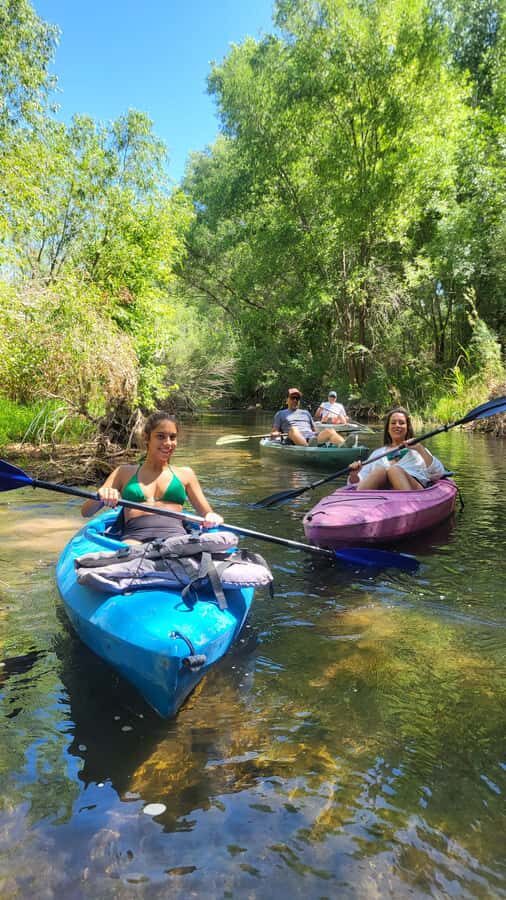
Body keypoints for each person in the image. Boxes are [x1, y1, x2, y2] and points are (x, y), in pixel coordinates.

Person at [81, 412, 224, 542]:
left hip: (176, 537)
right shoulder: (123, 472)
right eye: (160, 436)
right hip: (135, 537)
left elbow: (208, 513)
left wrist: (211, 517)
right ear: (146, 437)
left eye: (172, 437)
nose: (168, 443)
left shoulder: (186, 474)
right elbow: (86, 512)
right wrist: (101, 496)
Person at [348, 406, 446, 491]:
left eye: (401, 423)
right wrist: (354, 474)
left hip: (414, 491)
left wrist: (420, 449)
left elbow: (438, 473)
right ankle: (357, 506)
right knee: (380, 471)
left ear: (408, 428)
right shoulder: (378, 453)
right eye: (393, 423)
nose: (397, 425)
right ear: (388, 428)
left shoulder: (417, 449)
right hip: (383, 498)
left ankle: (407, 505)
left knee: (394, 470)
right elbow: (357, 483)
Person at [271, 388, 345, 447]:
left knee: (330, 430)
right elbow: (275, 431)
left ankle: (344, 445)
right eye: (292, 398)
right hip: (294, 439)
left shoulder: (305, 413)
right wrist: (275, 434)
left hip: (311, 438)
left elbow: (314, 430)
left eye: (297, 398)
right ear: (286, 400)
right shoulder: (280, 414)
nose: (295, 400)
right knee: (293, 429)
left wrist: (321, 435)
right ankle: (308, 448)